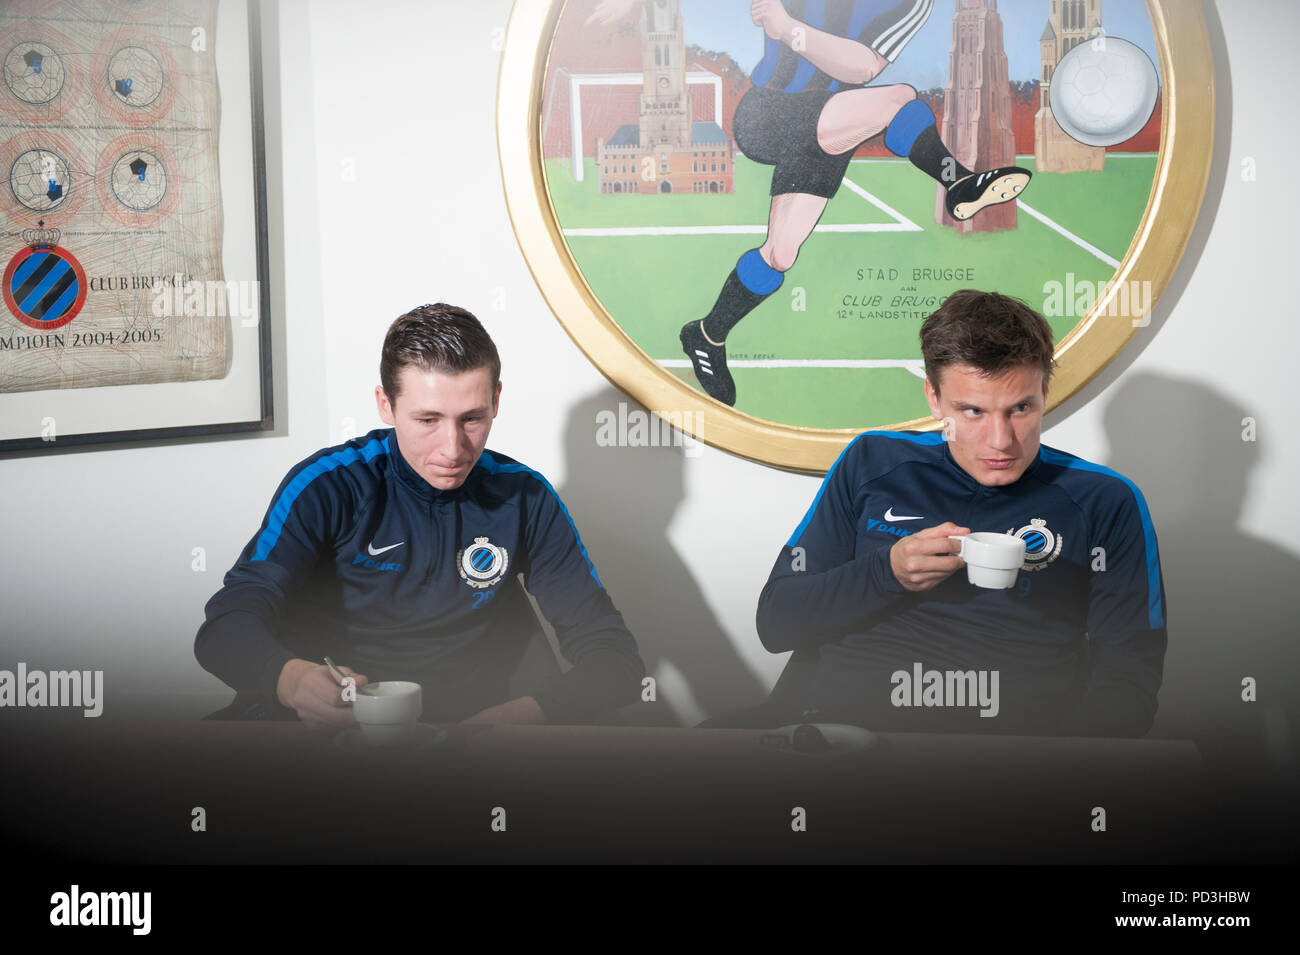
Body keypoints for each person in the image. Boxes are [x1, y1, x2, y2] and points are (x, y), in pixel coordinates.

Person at [195, 304, 645, 729]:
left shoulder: (525, 496)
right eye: (427, 420)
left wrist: (533, 713)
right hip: (331, 733)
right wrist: (290, 680)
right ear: (385, 405)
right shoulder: (327, 486)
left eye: (472, 418)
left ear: (497, 401)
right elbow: (224, 629)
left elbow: (615, 658)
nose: (452, 449)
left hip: (471, 737)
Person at [742, 289, 1167, 737]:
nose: (1001, 440)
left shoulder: (1105, 500)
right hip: (836, 737)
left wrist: (1052, 775)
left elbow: (1128, 683)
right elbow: (776, 623)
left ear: (1044, 392)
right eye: (972, 411)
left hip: (1007, 760)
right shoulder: (873, 463)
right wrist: (887, 573)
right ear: (933, 397)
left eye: (1020, 408)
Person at [678, 0, 1032, 406]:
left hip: (829, 129)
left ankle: (706, 334)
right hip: (769, 115)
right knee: (898, 98)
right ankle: (959, 183)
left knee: (779, 253)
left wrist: (790, 28)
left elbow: (862, 67)